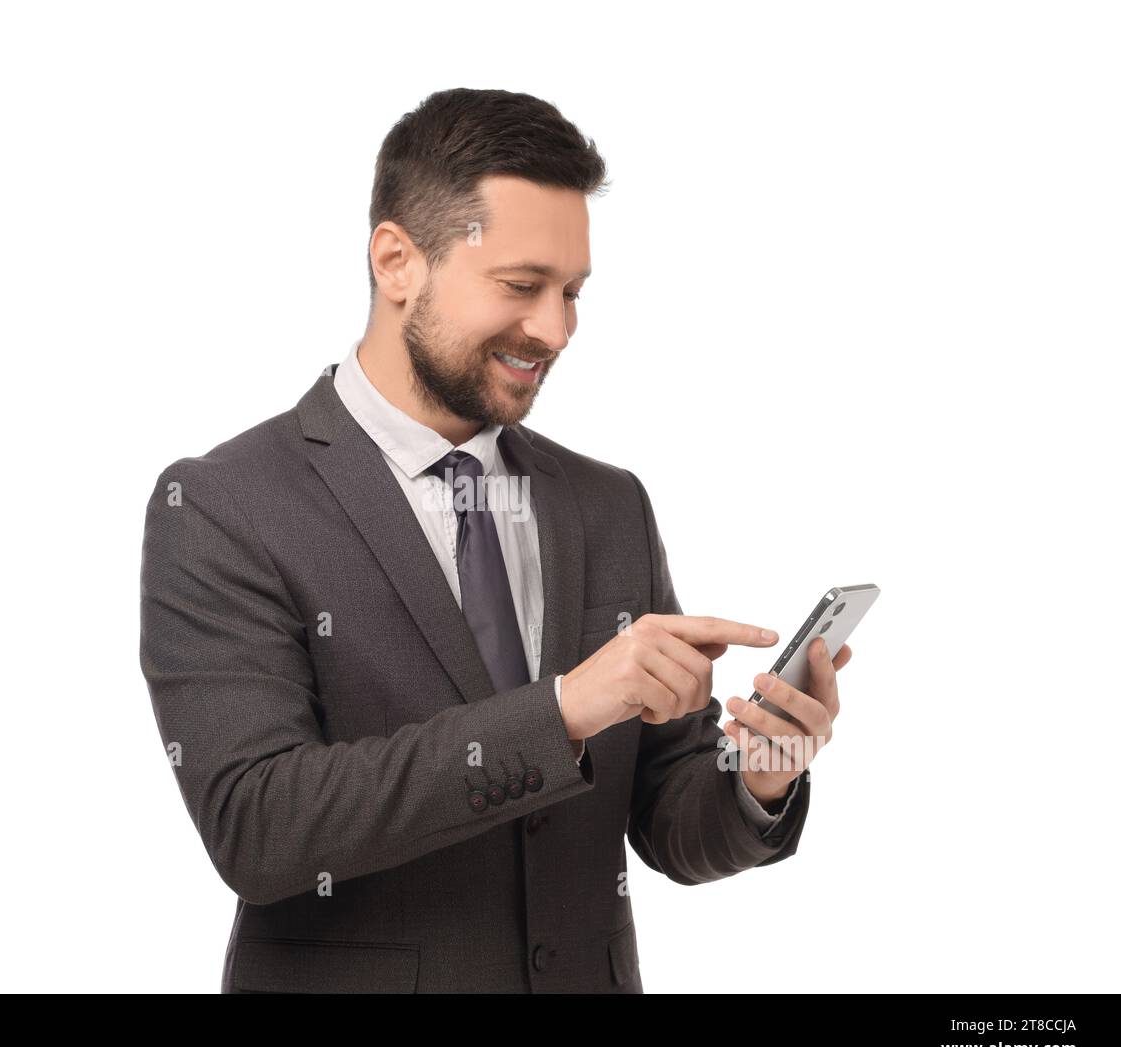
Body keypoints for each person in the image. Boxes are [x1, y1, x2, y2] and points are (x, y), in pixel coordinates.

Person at [139, 87, 852, 993]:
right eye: (521, 287)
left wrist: (762, 771)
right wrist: (562, 709)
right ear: (397, 261)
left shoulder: (607, 503)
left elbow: (670, 821)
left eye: (572, 293)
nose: (555, 330)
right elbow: (260, 827)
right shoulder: (223, 505)